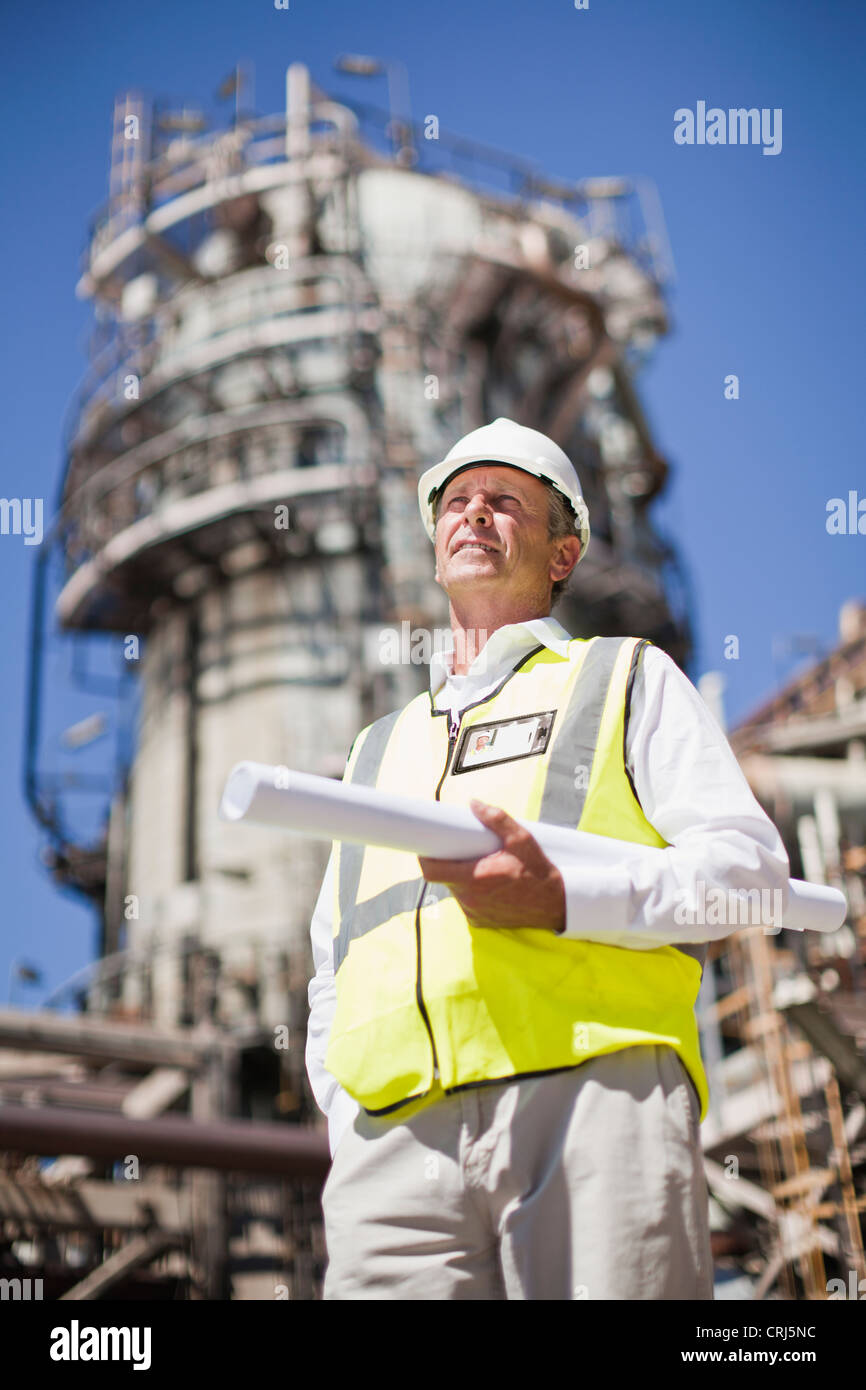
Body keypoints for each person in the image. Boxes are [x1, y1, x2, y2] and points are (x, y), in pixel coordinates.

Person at [305, 417, 790, 1300]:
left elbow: (752, 881)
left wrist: (565, 898)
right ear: (436, 545)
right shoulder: (378, 748)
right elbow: (332, 964)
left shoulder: (624, 679)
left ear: (564, 554)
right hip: (394, 1150)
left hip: (592, 1102)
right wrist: (347, 1117)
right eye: (457, 502)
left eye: (504, 502)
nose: (473, 515)